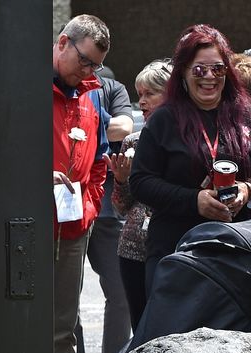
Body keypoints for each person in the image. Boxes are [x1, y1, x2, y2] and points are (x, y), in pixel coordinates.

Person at [129, 24, 251, 296]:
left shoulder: (246, 117)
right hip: (176, 251)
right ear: (182, 72)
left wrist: (247, 189)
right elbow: (140, 182)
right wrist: (194, 200)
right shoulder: (164, 119)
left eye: (218, 69)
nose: (209, 77)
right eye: (199, 70)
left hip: (235, 252)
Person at [51, 14, 110, 353]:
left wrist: (87, 204)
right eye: (84, 61)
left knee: (62, 328)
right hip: (26, 227)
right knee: (17, 326)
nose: (88, 72)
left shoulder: (90, 98)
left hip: (73, 228)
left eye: (95, 66)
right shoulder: (26, 86)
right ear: (62, 43)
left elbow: (99, 162)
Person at [73, 65, 133, 353]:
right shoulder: (54, 86)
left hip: (108, 207)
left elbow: (123, 127)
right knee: (67, 299)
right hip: (68, 208)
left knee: (120, 292)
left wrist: (78, 127)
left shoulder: (112, 87)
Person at [108, 59, 171, 338]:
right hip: (133, 249)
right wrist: (121, 180)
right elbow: (121, 207)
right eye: (139, 95)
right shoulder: (132, 141)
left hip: (170, 246)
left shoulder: (183, 140)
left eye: (149, 94)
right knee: (140, 328)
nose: (141, 102)